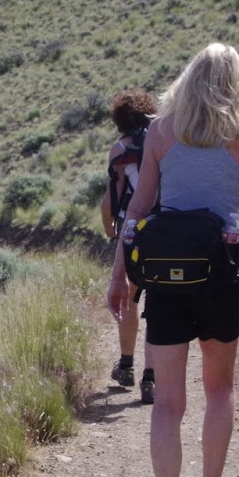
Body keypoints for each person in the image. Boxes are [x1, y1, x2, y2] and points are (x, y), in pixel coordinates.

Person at [105, 43, 239, 477]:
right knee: (220, 388)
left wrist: (121, 275)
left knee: (167, 403)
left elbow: (137, 210)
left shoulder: (162, 132)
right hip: (222, 276)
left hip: (165, 279)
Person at [100, 88, 158, 404]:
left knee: (131, 297)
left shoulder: (120, 148)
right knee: (158, 301)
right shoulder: (163, 140)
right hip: (164, 226)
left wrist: (110, 227)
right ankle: (151, 376)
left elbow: (112, 196)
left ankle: (126, 365)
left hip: (133, 230)